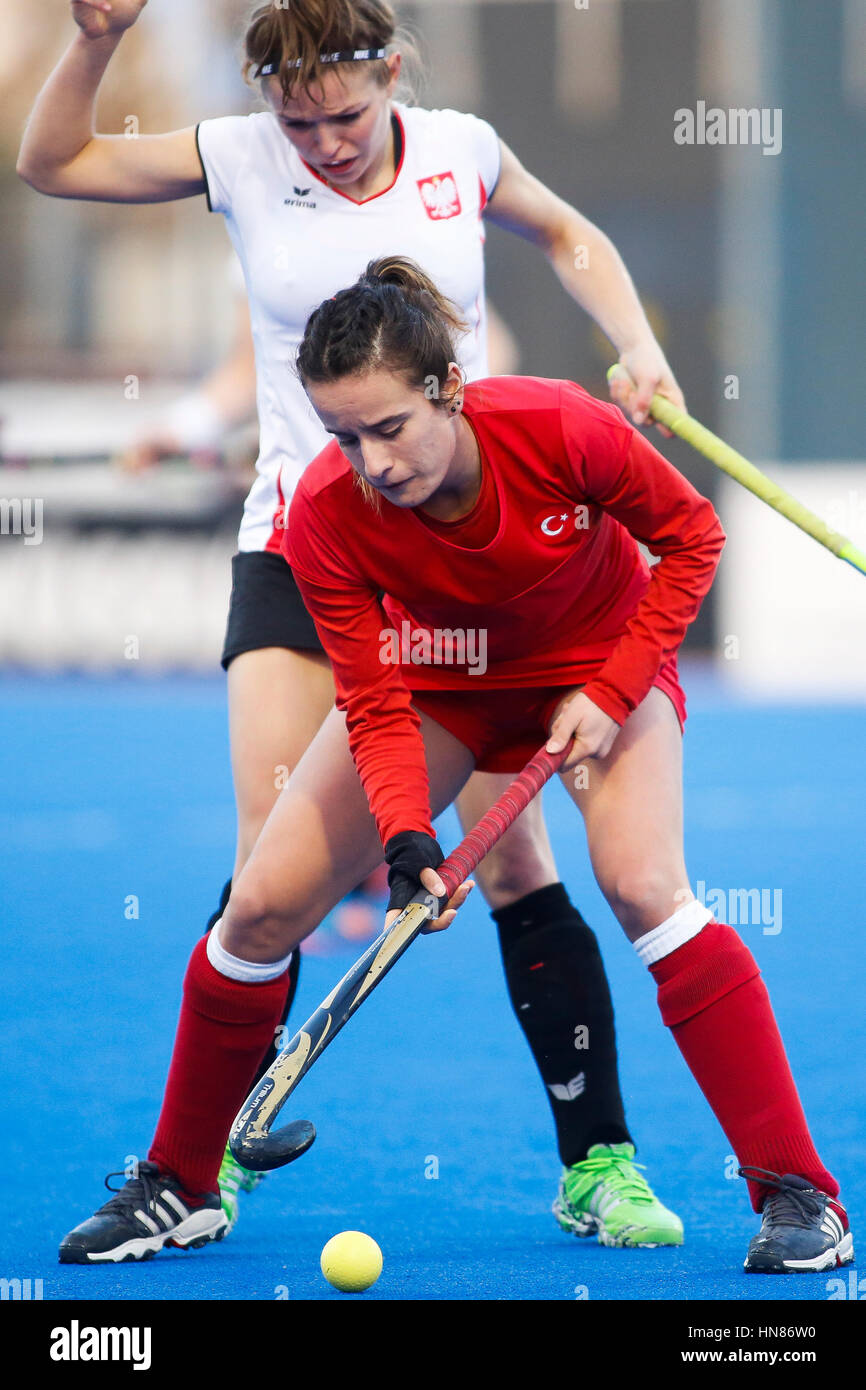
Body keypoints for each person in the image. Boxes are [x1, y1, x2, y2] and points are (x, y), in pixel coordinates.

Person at [23, 0, 688, 1246]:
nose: (319, 143)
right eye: (295, 118)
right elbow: (52, 165)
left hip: (457, 563)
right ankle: (203, 1166)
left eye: (342, 114)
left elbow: (566, 232)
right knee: (267, 876)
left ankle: (596, 1164)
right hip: (298, 542)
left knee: (511, 863)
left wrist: (638, 345)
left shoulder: (459, 150)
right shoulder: (236, 154)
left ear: (391, 69)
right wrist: (99, 43)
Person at [60, 258, 852, 1275]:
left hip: (594, 662)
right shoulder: (326, 514)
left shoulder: (563, 427)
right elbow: (374, 699)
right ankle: (180, 1181)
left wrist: (611, 690)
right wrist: (404, 841)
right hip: (436, 684)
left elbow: (691, 539)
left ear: (447, 390)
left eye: (388, 428)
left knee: (643, 887)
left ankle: (797, 1194)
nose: (371, 462)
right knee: (257, 907)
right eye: (344, 437)